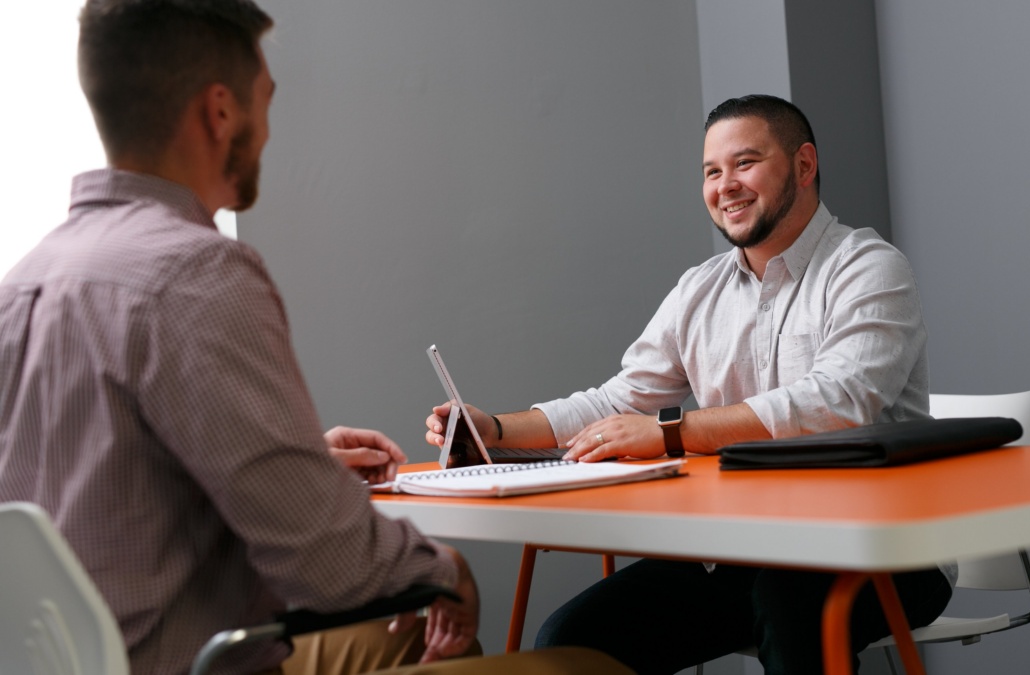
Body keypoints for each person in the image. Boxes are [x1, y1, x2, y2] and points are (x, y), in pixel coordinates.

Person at [0, 2, 632, 675]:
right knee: (592, 664)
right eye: (264, 100)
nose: (269, 129)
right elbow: (328, 565)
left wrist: (297, 464)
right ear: (220, 112)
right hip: (197, 661)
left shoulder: (25, 281)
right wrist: (445, 567)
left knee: (407, 637)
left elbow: (105, 496)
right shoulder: (194, 271)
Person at [424, 95, 954, 674]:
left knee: (788, 609)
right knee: (572, 639)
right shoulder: (698, 290)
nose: (725, 185)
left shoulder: (869, 267)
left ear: (804, 166)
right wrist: (494, 428)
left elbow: (839, 402)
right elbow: (618, 402)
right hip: (740, 551)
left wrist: (670, 433)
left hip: (882, 548)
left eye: (745, 163)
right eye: (711, 171)